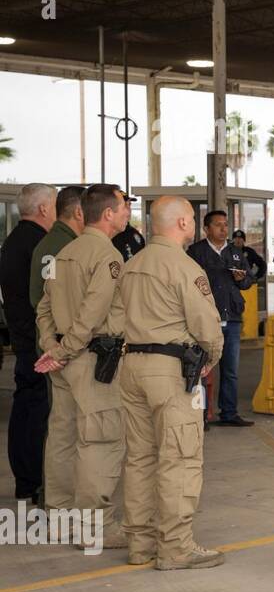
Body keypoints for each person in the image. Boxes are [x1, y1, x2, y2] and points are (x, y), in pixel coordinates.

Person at [114, 196, 226, 569]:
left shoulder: (131, 264)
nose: (193, 223)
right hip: (171, 372)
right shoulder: (184, 266)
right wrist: (210, 359)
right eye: (192, 218)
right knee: (179, 457)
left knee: (141, 458)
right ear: (181, 224)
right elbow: (207, 326)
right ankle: (176, 546)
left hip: (131, 367)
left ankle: (140, 543)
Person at [35, 184, 131, 547]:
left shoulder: (65, 253)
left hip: (65, 360)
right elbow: (94, 310)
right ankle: (96, 526)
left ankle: (60, 520)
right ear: (107, 214)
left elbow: (43, 309)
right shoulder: (108, 257)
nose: (126, 213)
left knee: (62, 438)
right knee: (99, 440)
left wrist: (53, 346)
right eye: (123, 207)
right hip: (92, 360)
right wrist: (66, 349)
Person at [0, 183, 56, 504]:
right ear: (44, 209)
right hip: (37, 344)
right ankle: (33, 482)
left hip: (23, 340)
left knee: (25, 412)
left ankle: (26, 481)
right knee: (37, 414)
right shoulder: (39, 245)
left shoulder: (12, 242)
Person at [187, 209, 255, 426]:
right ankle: (201, 415)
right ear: (206, 229)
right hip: (206, 320)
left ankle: (229, 413)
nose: (224, 228)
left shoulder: (236, 252)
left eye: (226, 224)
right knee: (201, 369)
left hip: (232, 318)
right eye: (218, 225)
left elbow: (248, 281)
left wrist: (241, 279)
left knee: (231, 370)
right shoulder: (195, 252)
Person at [30, 185, 85, 308]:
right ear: (79, 212)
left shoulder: (53, 241)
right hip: (61, 325)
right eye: (91, 210)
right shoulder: (67, 246)